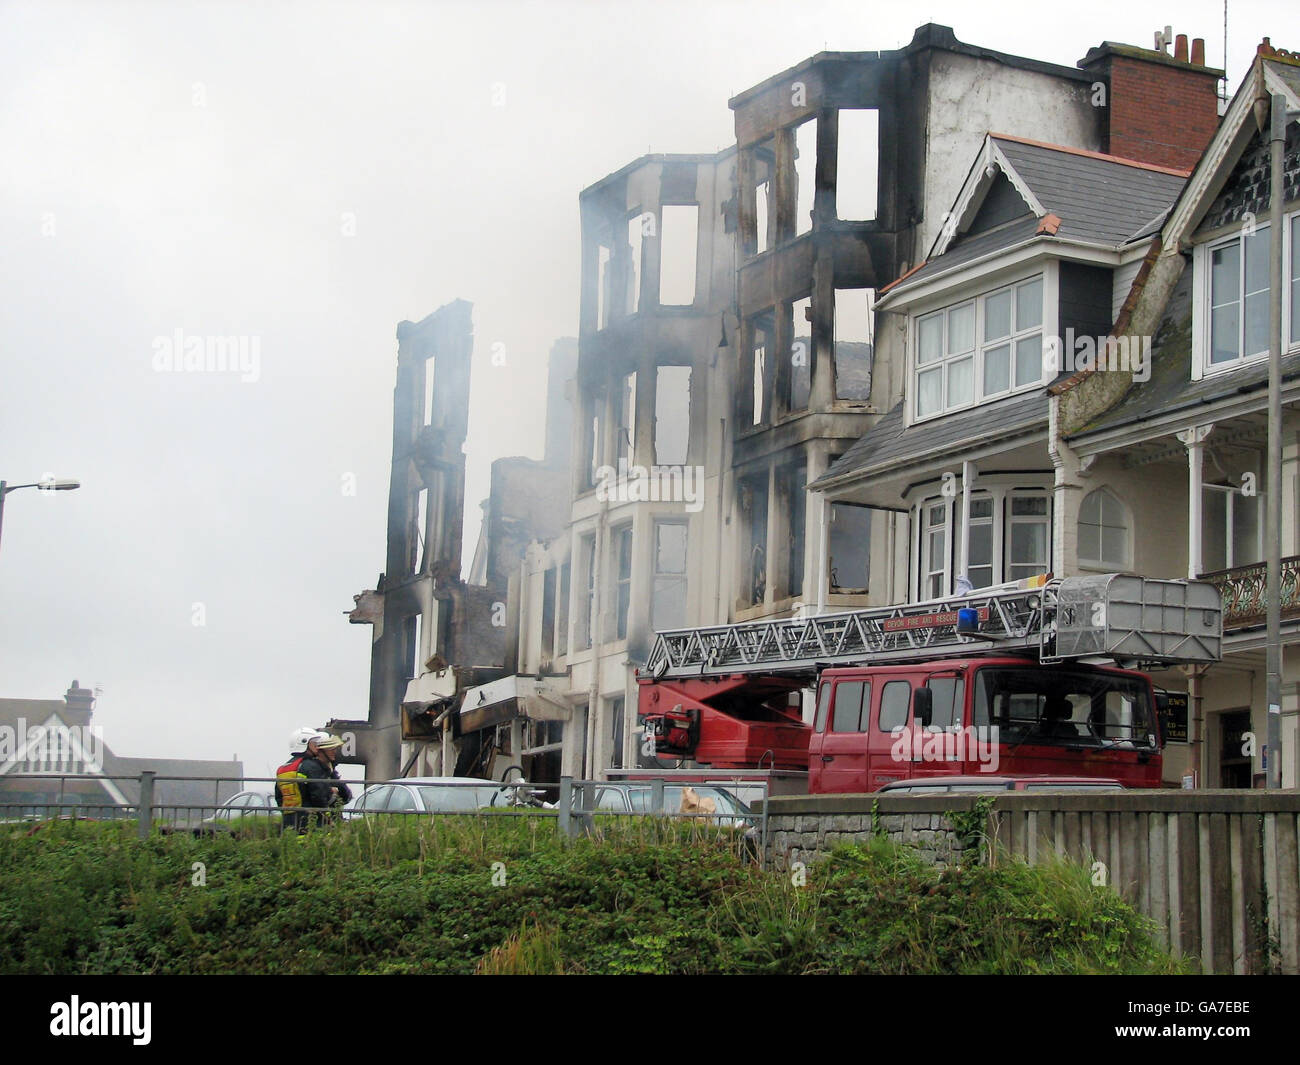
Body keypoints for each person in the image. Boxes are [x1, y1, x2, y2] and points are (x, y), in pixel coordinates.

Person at [276, 728, 352, 834]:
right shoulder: (311, 766)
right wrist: (328, 818)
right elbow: (319, 796)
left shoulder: (282, 769)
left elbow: (279, 798)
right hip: (311, 825)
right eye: (313, 743)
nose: (316, 746)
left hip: (289, 824)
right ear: (304, 743)